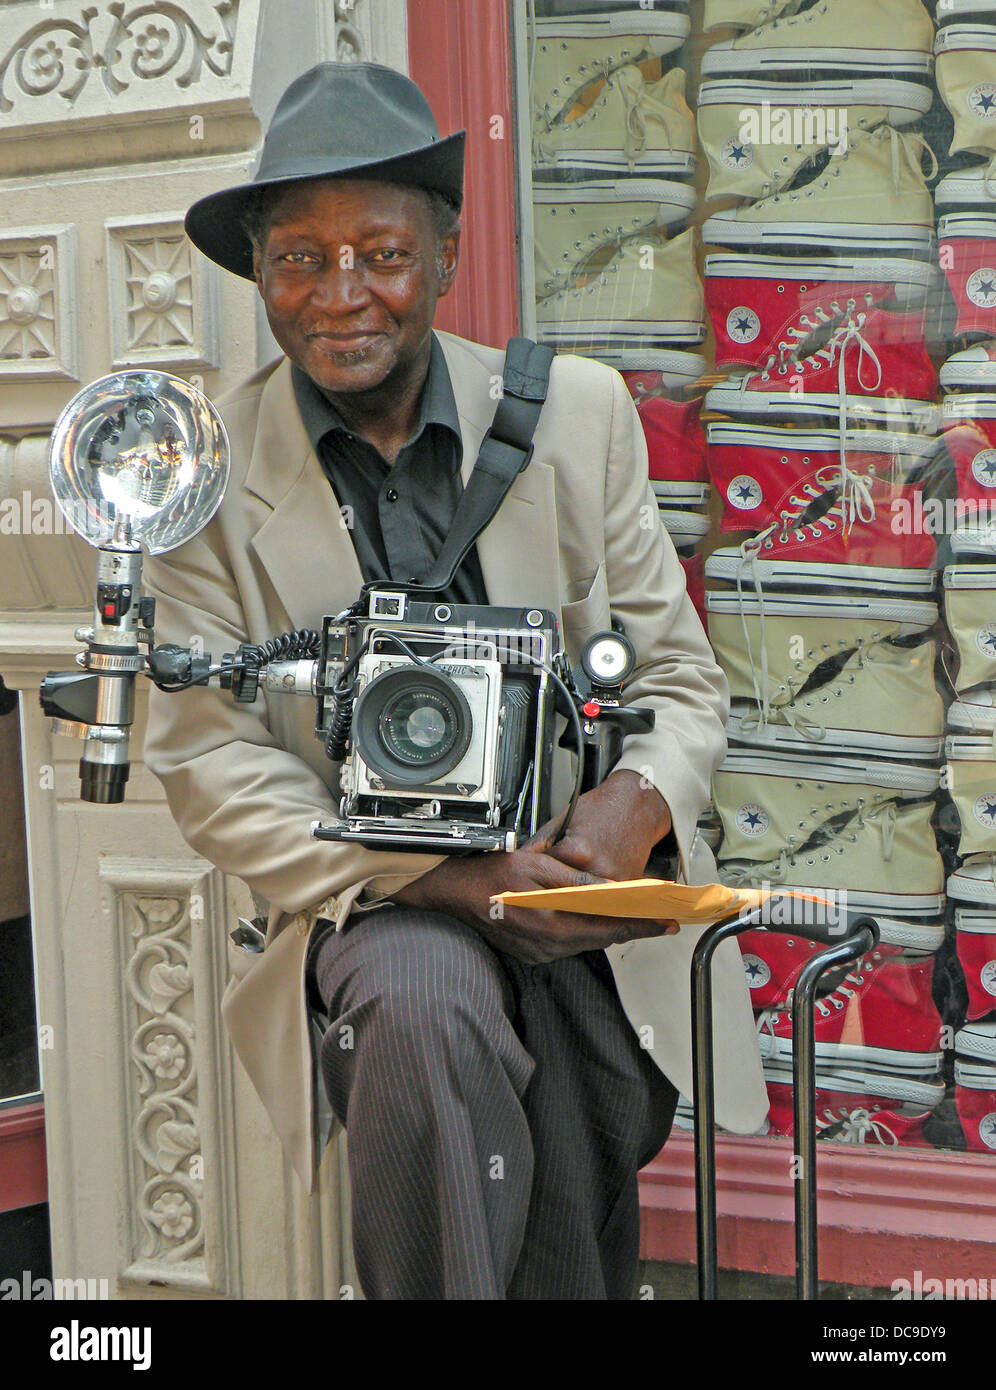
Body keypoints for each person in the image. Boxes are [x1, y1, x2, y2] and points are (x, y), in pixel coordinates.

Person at [144, 61, 766, 1300]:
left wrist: (617, 821)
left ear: (445, 257)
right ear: (258, 275)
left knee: (565, 1192)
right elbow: (208, 760)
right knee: (420, 997)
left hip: (577, 902)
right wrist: (452, 879)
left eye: (379, 252)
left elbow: (685, 686)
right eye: (299, 261)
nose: (341, 295)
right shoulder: (205, 477)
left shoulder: (576, 416)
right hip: (381, 901)